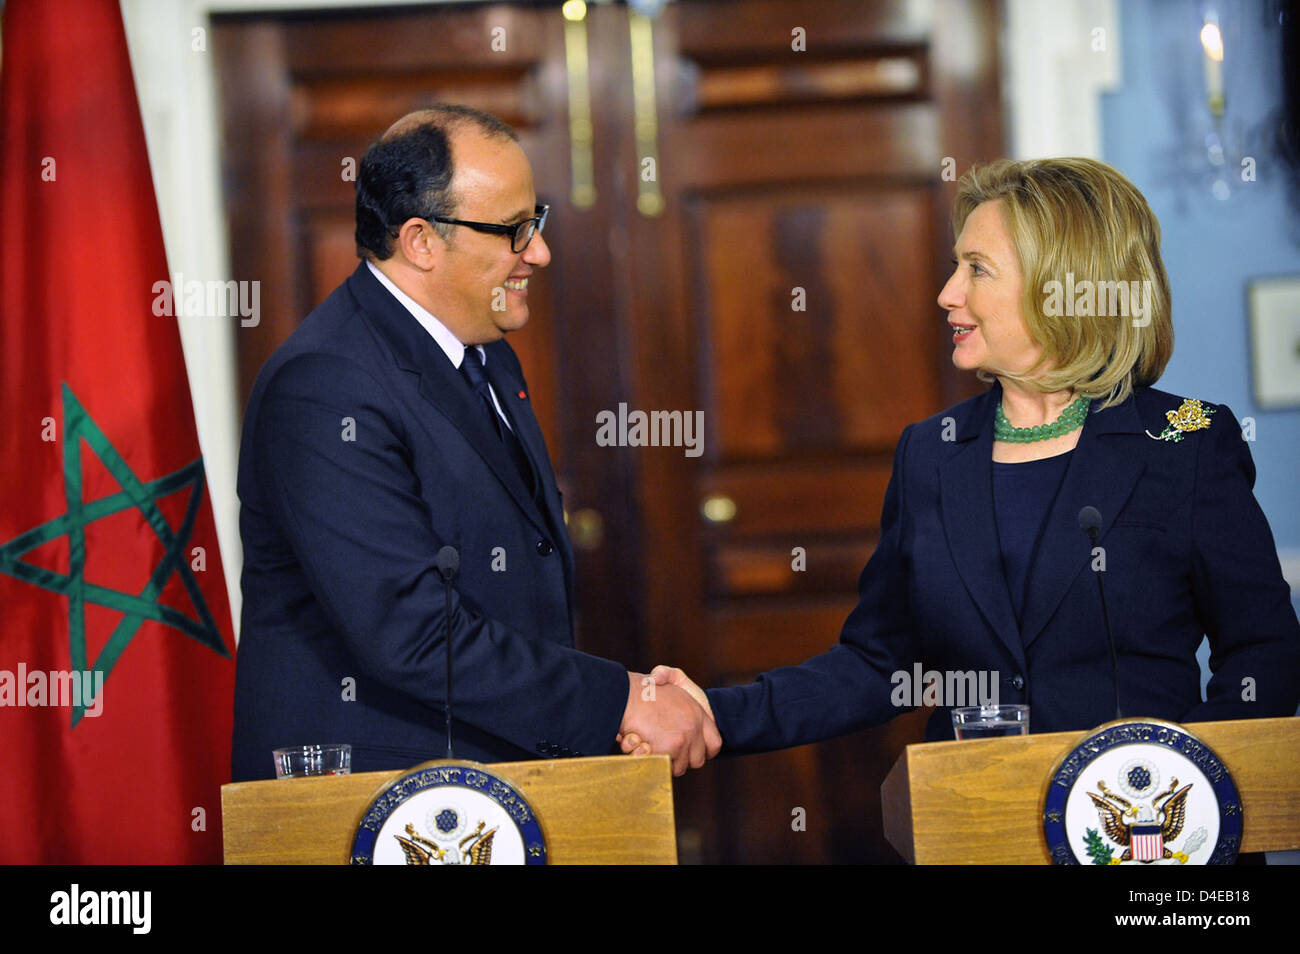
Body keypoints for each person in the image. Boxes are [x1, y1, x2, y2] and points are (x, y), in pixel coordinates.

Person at [626, 157, 1300, 758]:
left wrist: (1181, 779)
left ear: (1059, 284)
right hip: (975, 827)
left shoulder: (1187, 441)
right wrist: (714, 712)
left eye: (976, 269)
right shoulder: (930, 452)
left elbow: (1265, 655)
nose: (948, 292)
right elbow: (878, 665)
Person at [232, 105, 718, 781]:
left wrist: (619, 702)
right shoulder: (326, 384)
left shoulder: (487, 353)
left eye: (536, 222)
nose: (539, 252)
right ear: (421, 241)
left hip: (497, 784)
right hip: (379, 804)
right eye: (515, 230)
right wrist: (624, 699)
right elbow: (412, 633)